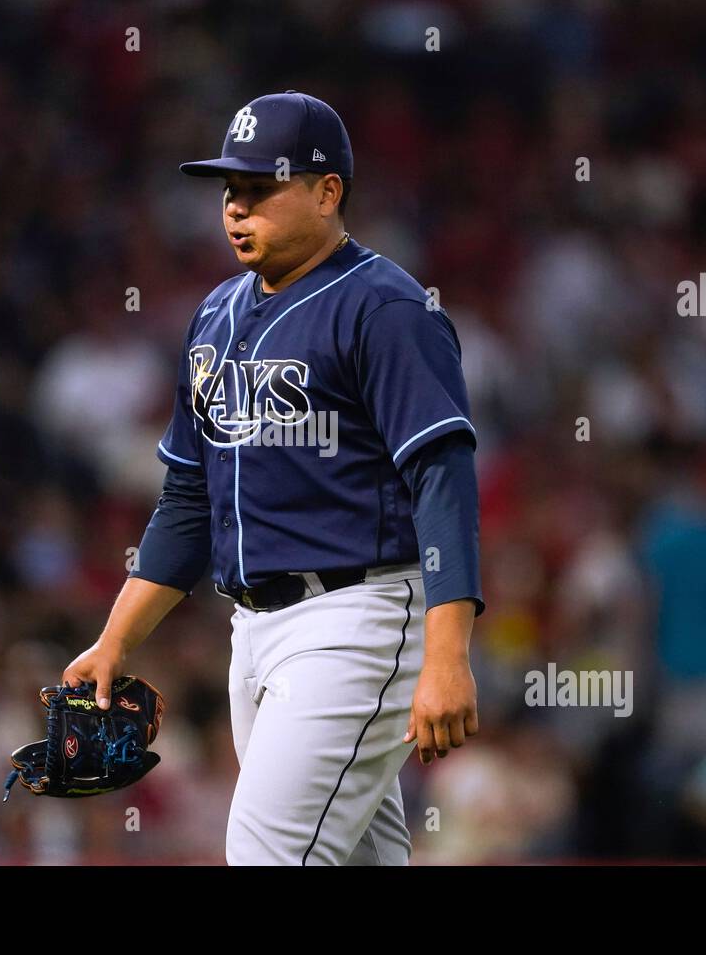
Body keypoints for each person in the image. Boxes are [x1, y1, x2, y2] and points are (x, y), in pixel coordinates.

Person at [61, 91, 486, 865]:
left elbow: (442, 476)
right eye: (230, 189)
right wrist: (116, 641)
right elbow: (188, 498)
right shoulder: (216, 314)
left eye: (261, 189)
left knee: (266, 855)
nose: (236, 207)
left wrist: (449, 649)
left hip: (356, 622)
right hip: (251, 635)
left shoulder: (385, 307)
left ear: (329, 192)